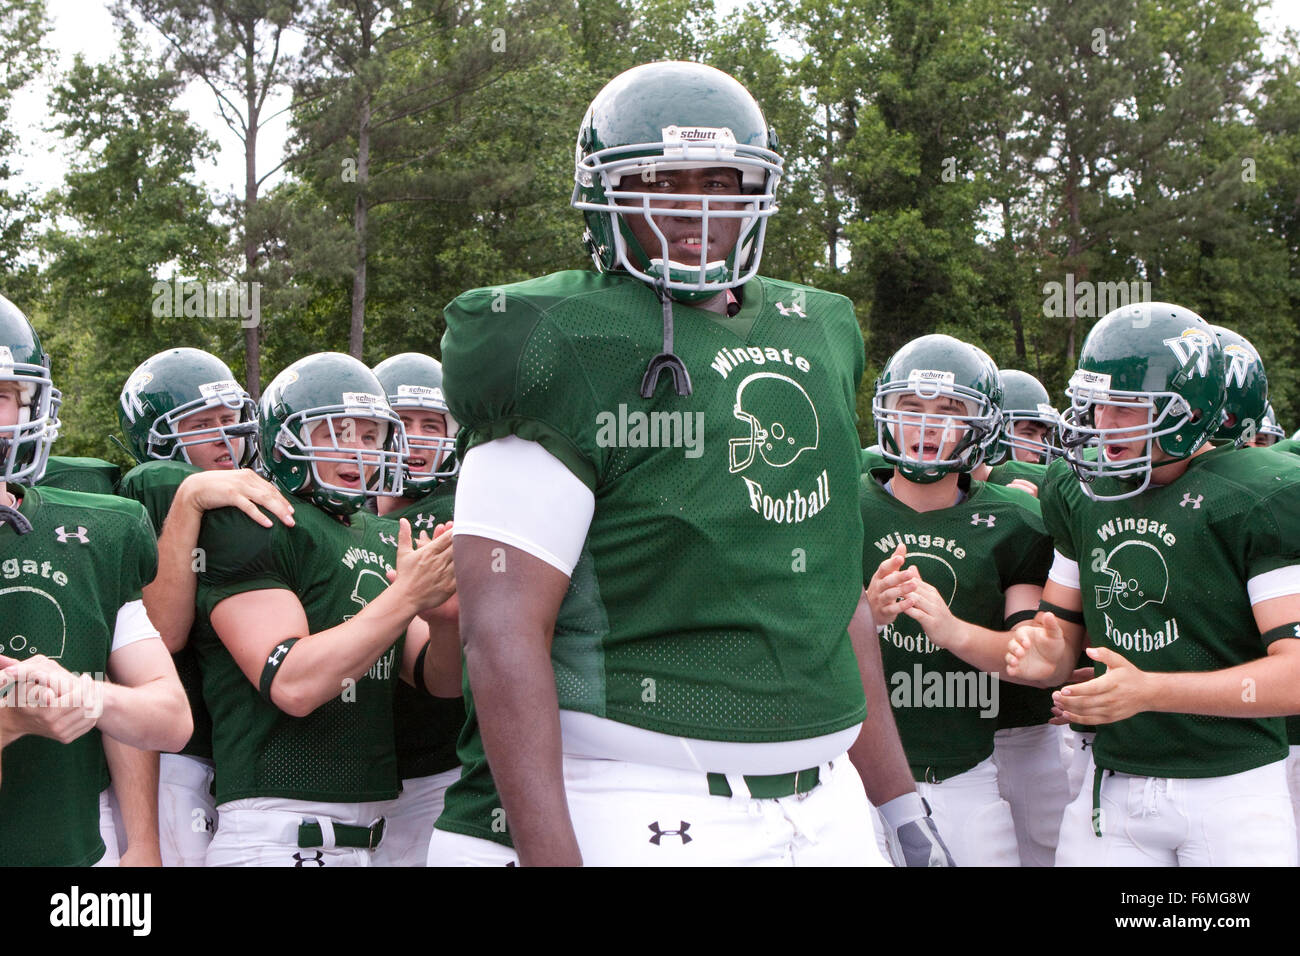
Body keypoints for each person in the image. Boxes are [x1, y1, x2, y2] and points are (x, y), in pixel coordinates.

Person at [431, 61, 941, 867]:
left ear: (757, 194)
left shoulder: (821, 328)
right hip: (644, 798)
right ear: (608, 197)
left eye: (723, 181)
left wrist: (900, 803)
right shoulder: (556, 337)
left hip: (831, 803)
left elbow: (834, 601)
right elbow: (501, 636)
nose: (697, 206)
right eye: (662, 181)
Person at [1007, 302, 1300, 866]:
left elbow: (1294, 673)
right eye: (1096, 405)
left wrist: (1152, 690)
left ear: (1189, 413)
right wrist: (1044, 654)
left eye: (1126, 408)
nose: (1101, 424)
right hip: (1113, 783)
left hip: (1232, 787)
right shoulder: (1080, 488)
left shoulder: (1258, 495)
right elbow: (1060, 637)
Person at [193, 352, 458, 866]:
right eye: (335, 432)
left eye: (368, 436)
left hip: (370, 838)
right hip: (277, 833)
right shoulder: (254, 520)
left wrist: (445, 623)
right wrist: (406, 597)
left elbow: (438, 680)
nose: (356, 451)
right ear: (285, 439)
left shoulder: (382, 534)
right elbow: (292, 682)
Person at [0, 293, 191, 866]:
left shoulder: (95, 530)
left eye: (0, 395)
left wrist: (88, 697)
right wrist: (11, 720)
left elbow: (171, 718)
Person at [862, 334, 1054, 866]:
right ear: (886, 414)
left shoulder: (1014, 522)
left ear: (981, 425)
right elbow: (803, 641)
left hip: (965, 772)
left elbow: (1031, 660)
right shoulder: (843, 504)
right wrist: (868, 616)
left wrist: (952, 631)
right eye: (911, 407)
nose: (927, 424)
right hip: (856, 773)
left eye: (950, 411)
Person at [115, 346, 294, 865]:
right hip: (174, 759)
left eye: (229, 418)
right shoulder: (156, 481)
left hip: (221, 759)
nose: (225, 435)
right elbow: (163, 632)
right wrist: (191, 495)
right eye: (202, 423)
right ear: (158, 438)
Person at [370, 352, 465, 866]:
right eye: (402, 423)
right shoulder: (348, 518)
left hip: (439, 765)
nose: (416, 439)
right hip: (357, 772)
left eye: (432, 425)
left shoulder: (455, 514)